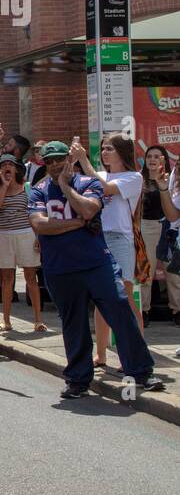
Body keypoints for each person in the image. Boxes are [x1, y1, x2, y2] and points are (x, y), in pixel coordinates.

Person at [29, 140, 162, 397]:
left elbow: (89, 209)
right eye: (50, 161)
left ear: (69, 159)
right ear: (44, 164)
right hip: (60, 268)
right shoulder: (38, 191)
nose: (56, 165)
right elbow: (40, 225)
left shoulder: (87, 183)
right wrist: (78, 223)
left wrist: (67, 188)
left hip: (96, 263)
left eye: (60, 159)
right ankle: (78, 380)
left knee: (119, 310)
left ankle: (141, 372)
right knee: (73, 323)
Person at [69, 135, 145, 367]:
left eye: (110, 148)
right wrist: (72, 160)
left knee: (124, 299)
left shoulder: (134, 177)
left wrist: (84, 160)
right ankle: (101, 354)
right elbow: (73, 186)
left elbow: (106, 189)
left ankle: (134, 354)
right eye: (103, 148)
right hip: (98, 237)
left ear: (123, 152)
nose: (104, 152)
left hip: (120, 239)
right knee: (101, 299)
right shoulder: (97, 173)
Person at [0, 154, 46, 333]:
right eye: (4, 165)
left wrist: (39, 237)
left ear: (16, 169)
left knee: (31, 277)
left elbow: (34, 214)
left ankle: (38, 320)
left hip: (26, 234)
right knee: (6, 280)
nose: (7, 167)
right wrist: (4, 187)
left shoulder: (27, 188)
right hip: (4, 234)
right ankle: (6, 320)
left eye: (10, 165)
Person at [139, 145, 180, 324]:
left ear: (164, 159)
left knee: (173, 273)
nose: (153, 159)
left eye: (157, 156)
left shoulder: (171, 179)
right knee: (146, 271)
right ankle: (144, 310)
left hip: (169, 227)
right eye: (149, 156)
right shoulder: (139, 180)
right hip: (147, 227)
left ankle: (177, 310)